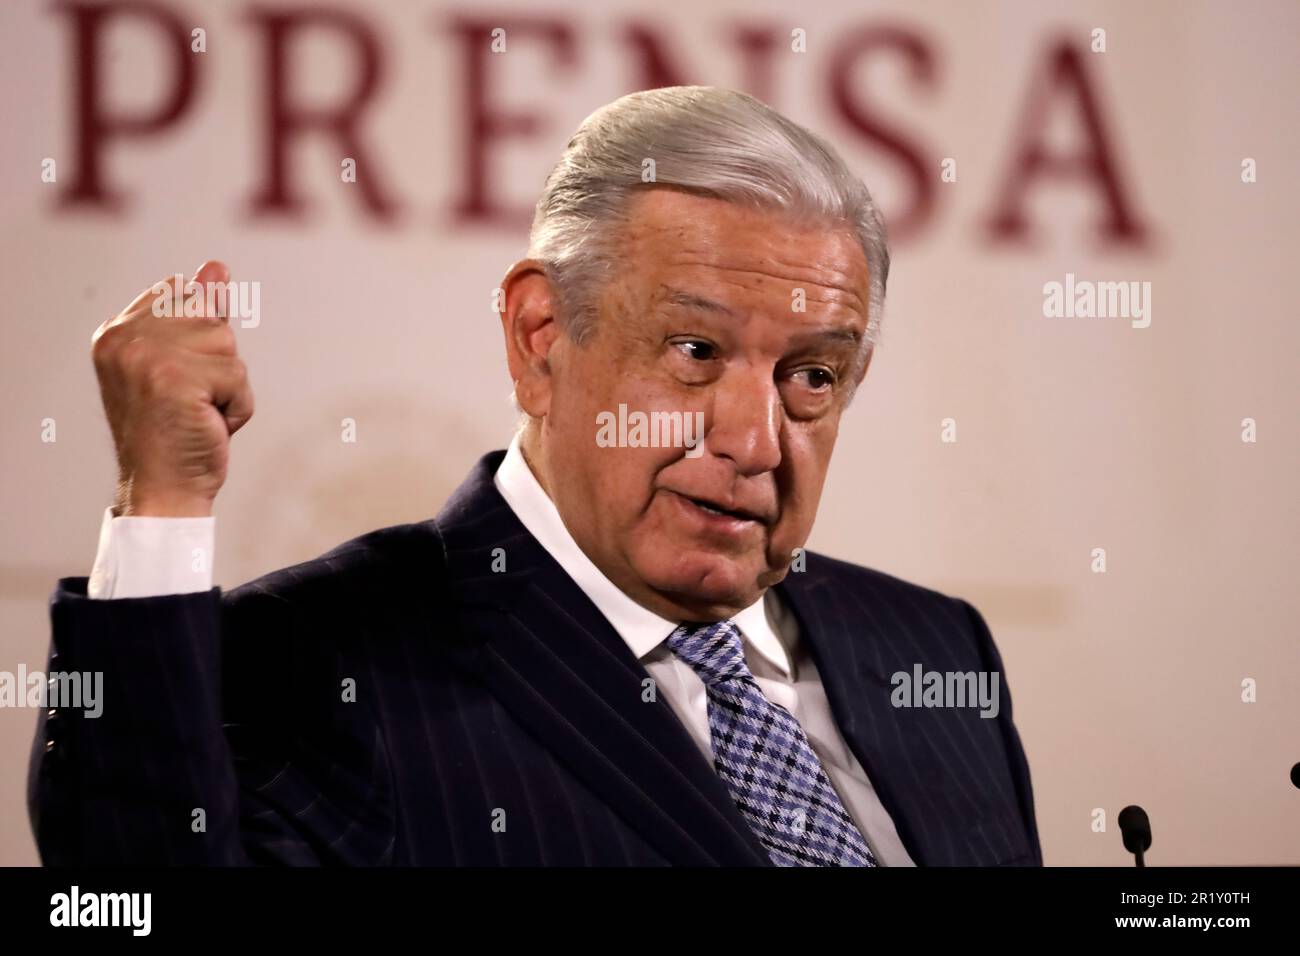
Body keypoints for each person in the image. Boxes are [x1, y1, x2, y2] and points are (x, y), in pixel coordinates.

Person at [29, 86, 1040, 866]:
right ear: (538, 336)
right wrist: (163, 501)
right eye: (693, 351)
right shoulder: (313, 660)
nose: (755, 439)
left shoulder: (930, 648)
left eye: (810, 374)